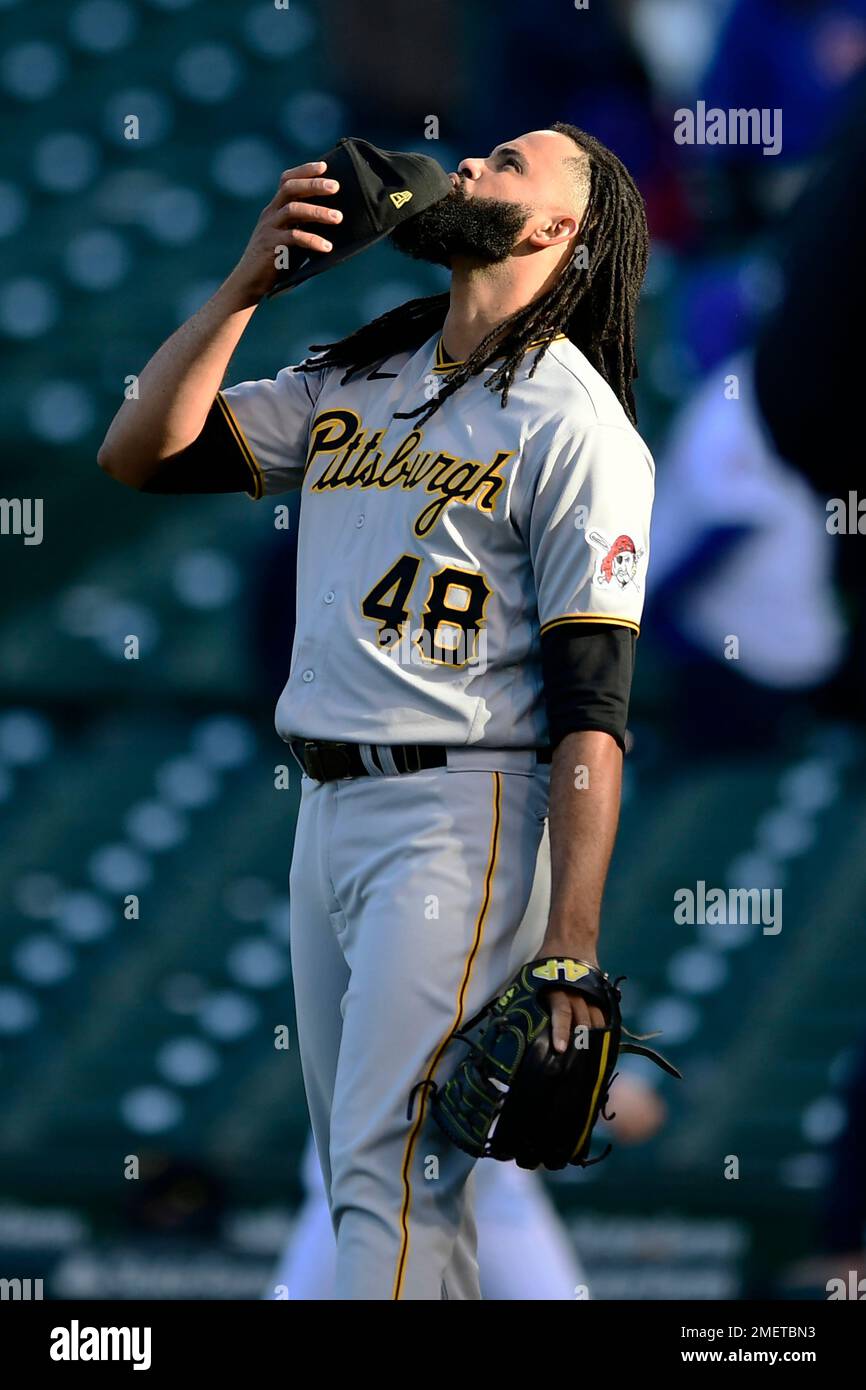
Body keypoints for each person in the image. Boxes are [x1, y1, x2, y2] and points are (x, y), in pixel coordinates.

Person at [97, 124, 654, 1300]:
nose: (465, 170)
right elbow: (141, 448)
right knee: (395, 1195)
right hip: (327, 812)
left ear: (560, 229)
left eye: (507, 164)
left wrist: (572, 942)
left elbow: (593, 709)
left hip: (464, 806)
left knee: (383, 1181)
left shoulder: (575, 425)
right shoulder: (364, 373)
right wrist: (250, 284)